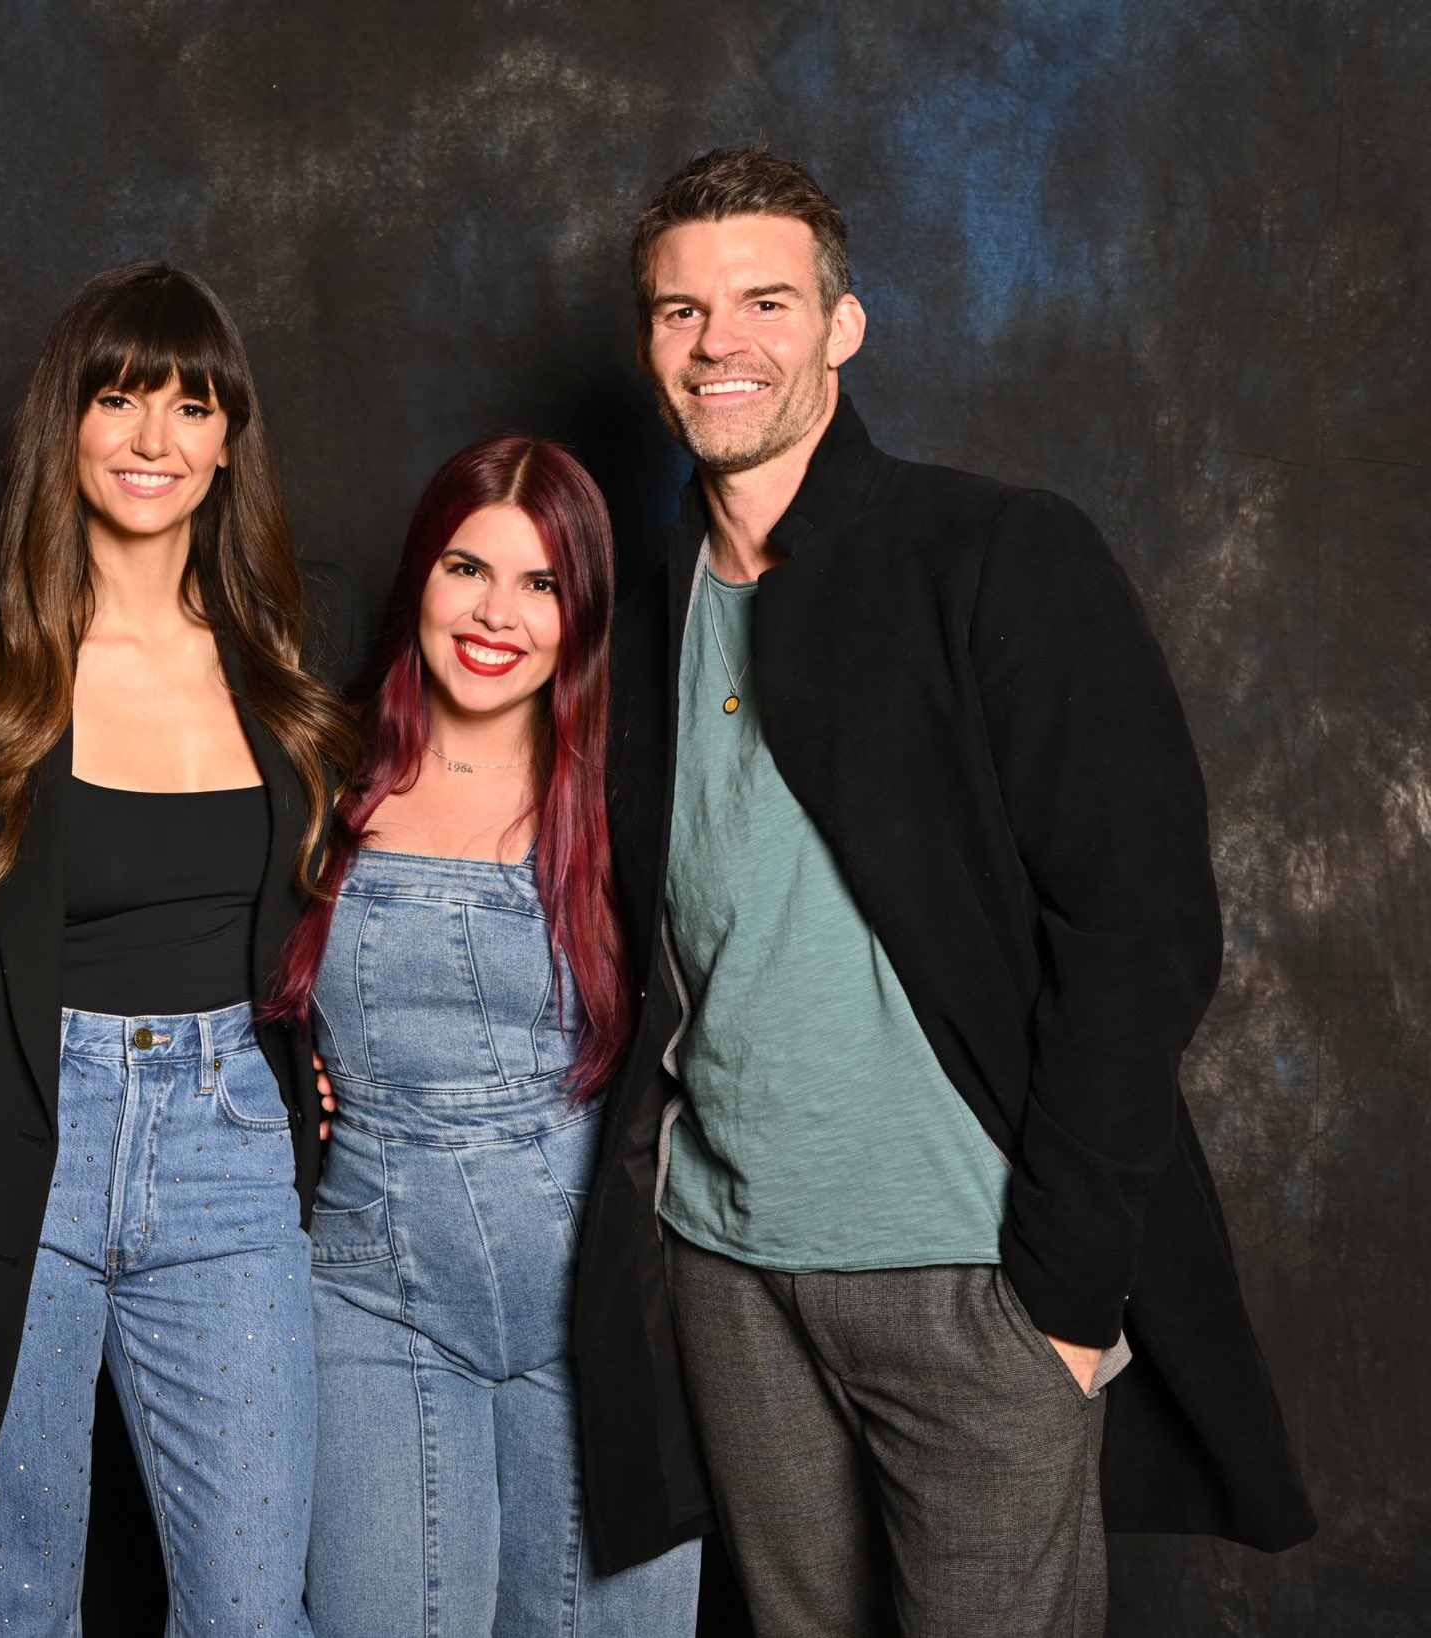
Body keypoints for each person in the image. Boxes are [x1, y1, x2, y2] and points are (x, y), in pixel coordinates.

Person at [572, 147, 1317, 1635]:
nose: (721, 343)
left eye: (766, 300)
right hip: (730, 1270)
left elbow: (1142, 927)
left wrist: (1059, 1291)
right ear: (648, 342)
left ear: (844, 327)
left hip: (969, 1272)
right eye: (680, 311)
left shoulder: (995, 553)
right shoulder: (636, 616)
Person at [0, 261, 361, 1636]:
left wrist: (327, 1059)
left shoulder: (292, 661)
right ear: (68, 425)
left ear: (231, 436)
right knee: (16, 1607)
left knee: (249, 1610)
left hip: (230, 1142)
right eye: (118, 399)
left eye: (190, 405)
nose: (153, 439)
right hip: (10, 1150)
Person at [271, 436, 702, 1637]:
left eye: (540, 584)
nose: (494, 614)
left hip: (595, 1296)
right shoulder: (316, 774)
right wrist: (282, 1076)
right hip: (372, 1294)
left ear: (583, 612)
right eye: (467, 568)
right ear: (421, 573)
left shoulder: (628, 790)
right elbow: (195, 960)